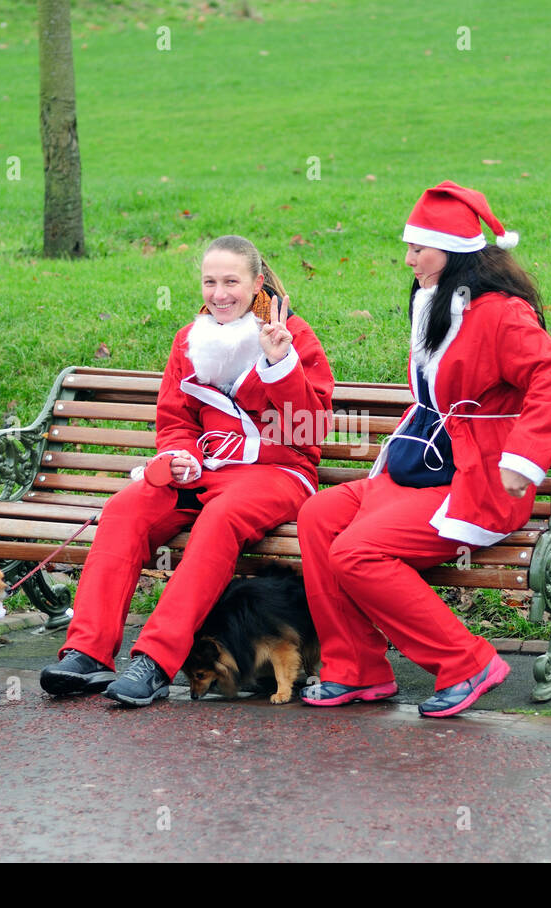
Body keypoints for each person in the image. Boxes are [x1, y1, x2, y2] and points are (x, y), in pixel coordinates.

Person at [297, 181, 551, 717]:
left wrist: (524, 460)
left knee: (356, 552)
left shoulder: (499, 314)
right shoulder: (437, 302)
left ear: (451, 252)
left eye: (418, 250)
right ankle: (355, 670)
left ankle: (467, 662)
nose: (408, 260)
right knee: (316, 516)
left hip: (477, 480)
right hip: (422, 469)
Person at [41, 235, 335, 707]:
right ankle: (88, 652)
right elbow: (175, 421)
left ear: (257, 282)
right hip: (202, 470)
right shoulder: (189, 339)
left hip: (276, 471)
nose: (220, 294)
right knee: (124, 510)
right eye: (210, 282)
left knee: (218, 523)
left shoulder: (291, 334)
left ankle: (156, 660)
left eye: (232, 282)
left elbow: (311, 428)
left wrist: (281, 363)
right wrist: (179, 456)